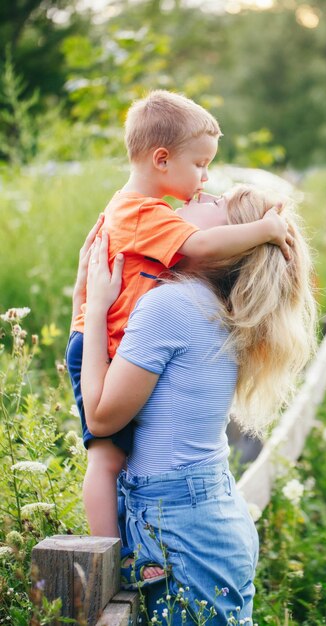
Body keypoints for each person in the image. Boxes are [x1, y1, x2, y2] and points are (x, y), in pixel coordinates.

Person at [77, 185, 317, 623]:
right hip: (206, 513)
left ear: (229, 241)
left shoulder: (170, 306)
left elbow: (100, 415)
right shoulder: (215, 307)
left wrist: (94, 311)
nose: (201, 193)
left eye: (216, 204)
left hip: (180, 525)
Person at [66, 90, 294, 540]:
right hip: (99, 345)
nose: (206, 180)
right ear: (162, 160)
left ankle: (119, 541)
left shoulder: (148, 214)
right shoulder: (140, 213)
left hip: (106, 339)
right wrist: (265, 230)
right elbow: (202, 246)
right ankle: (104, 549)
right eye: (201, 165)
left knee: (119, 458)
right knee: (106, 458)